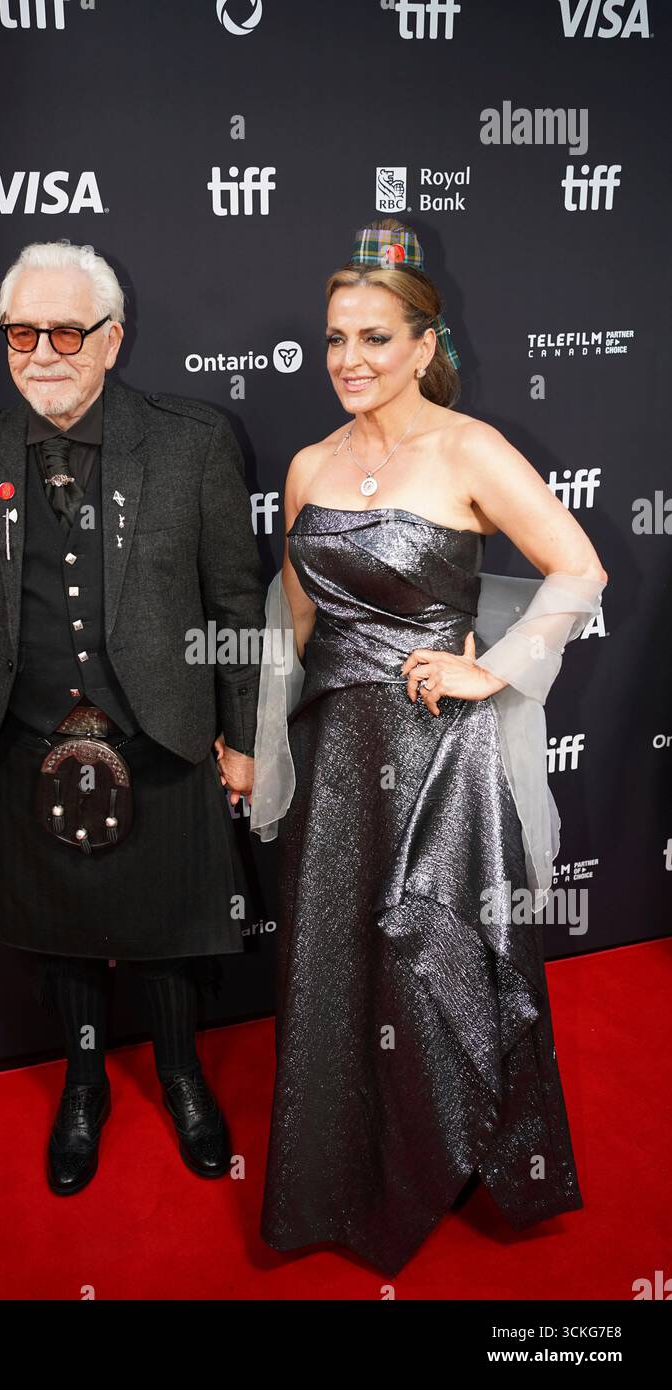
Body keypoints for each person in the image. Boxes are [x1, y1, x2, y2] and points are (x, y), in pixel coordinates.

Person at [251, 217, 607, 1275]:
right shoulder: (308, 465)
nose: (348, 361)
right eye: (332, 340)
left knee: (439, 962)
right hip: (334, 758)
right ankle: (337, 1182)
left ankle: (453, 1158)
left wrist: (489, 670)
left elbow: (578, 571)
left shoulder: (470, 448)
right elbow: (298, 623)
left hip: (441, 758)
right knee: (334, 969)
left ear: (421, 344)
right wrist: (262, 743)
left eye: (372, 338)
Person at [0, 240, 265, 1195]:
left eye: (66, 330)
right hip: (22, 744)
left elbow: (237, 609)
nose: (43, 351)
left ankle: (182, 1075)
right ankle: (84, 1086)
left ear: (111, 340)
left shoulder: (192, 443)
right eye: (21, 332)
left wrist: (241, 736)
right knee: (61, 935)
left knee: (170, 930)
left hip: (160, 735)